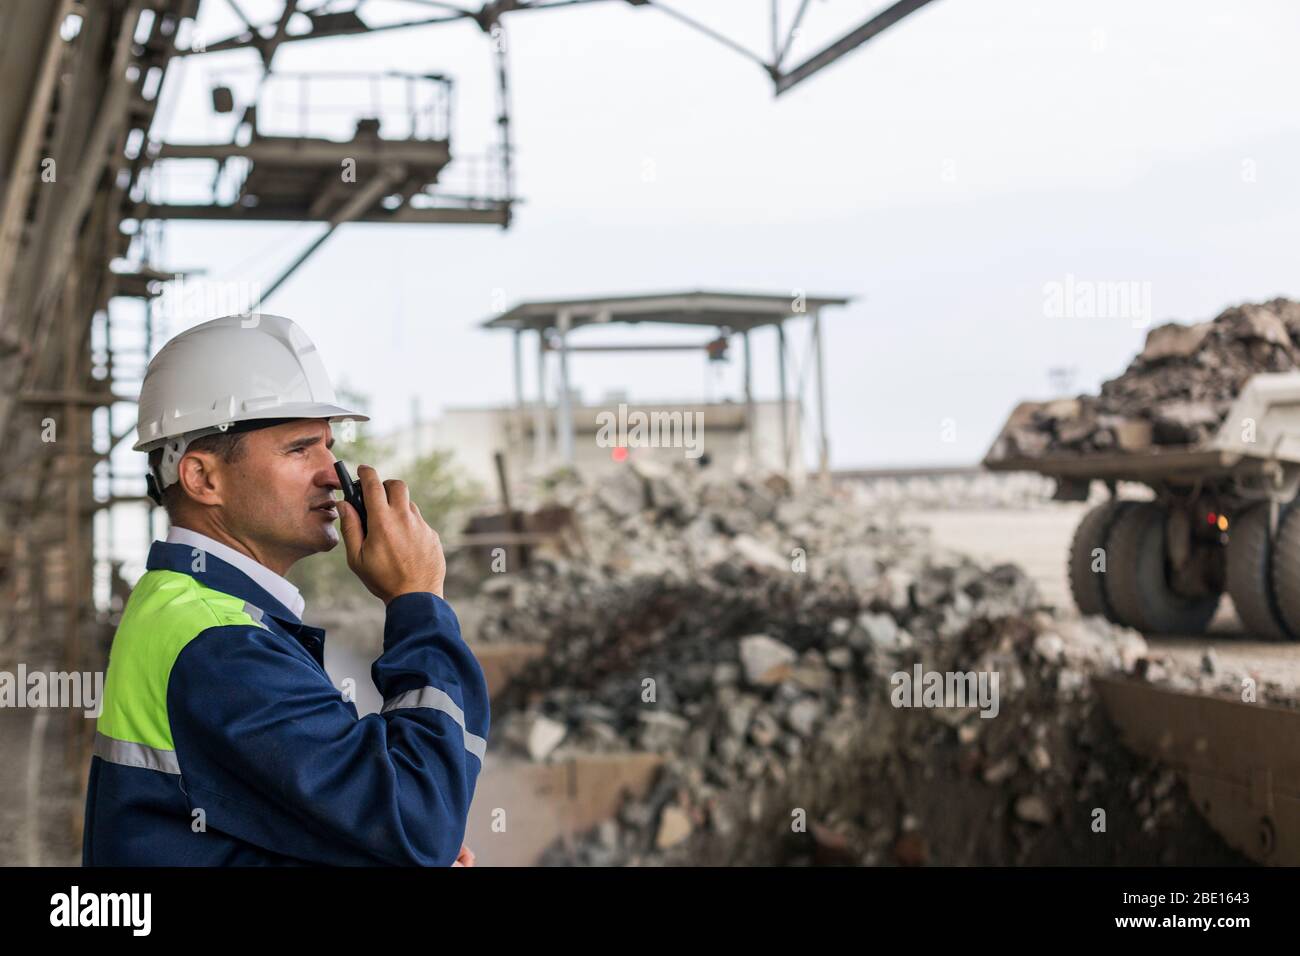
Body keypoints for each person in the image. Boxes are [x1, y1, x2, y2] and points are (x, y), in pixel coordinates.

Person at [82, 313, 488, 866]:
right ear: (204, 479)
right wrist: (417, 600)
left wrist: (396, 849)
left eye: (328, 445)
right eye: (300, 449)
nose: (332, 473)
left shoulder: (197, 609)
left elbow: (275, 823)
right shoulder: (221, 646)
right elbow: (418, 820)